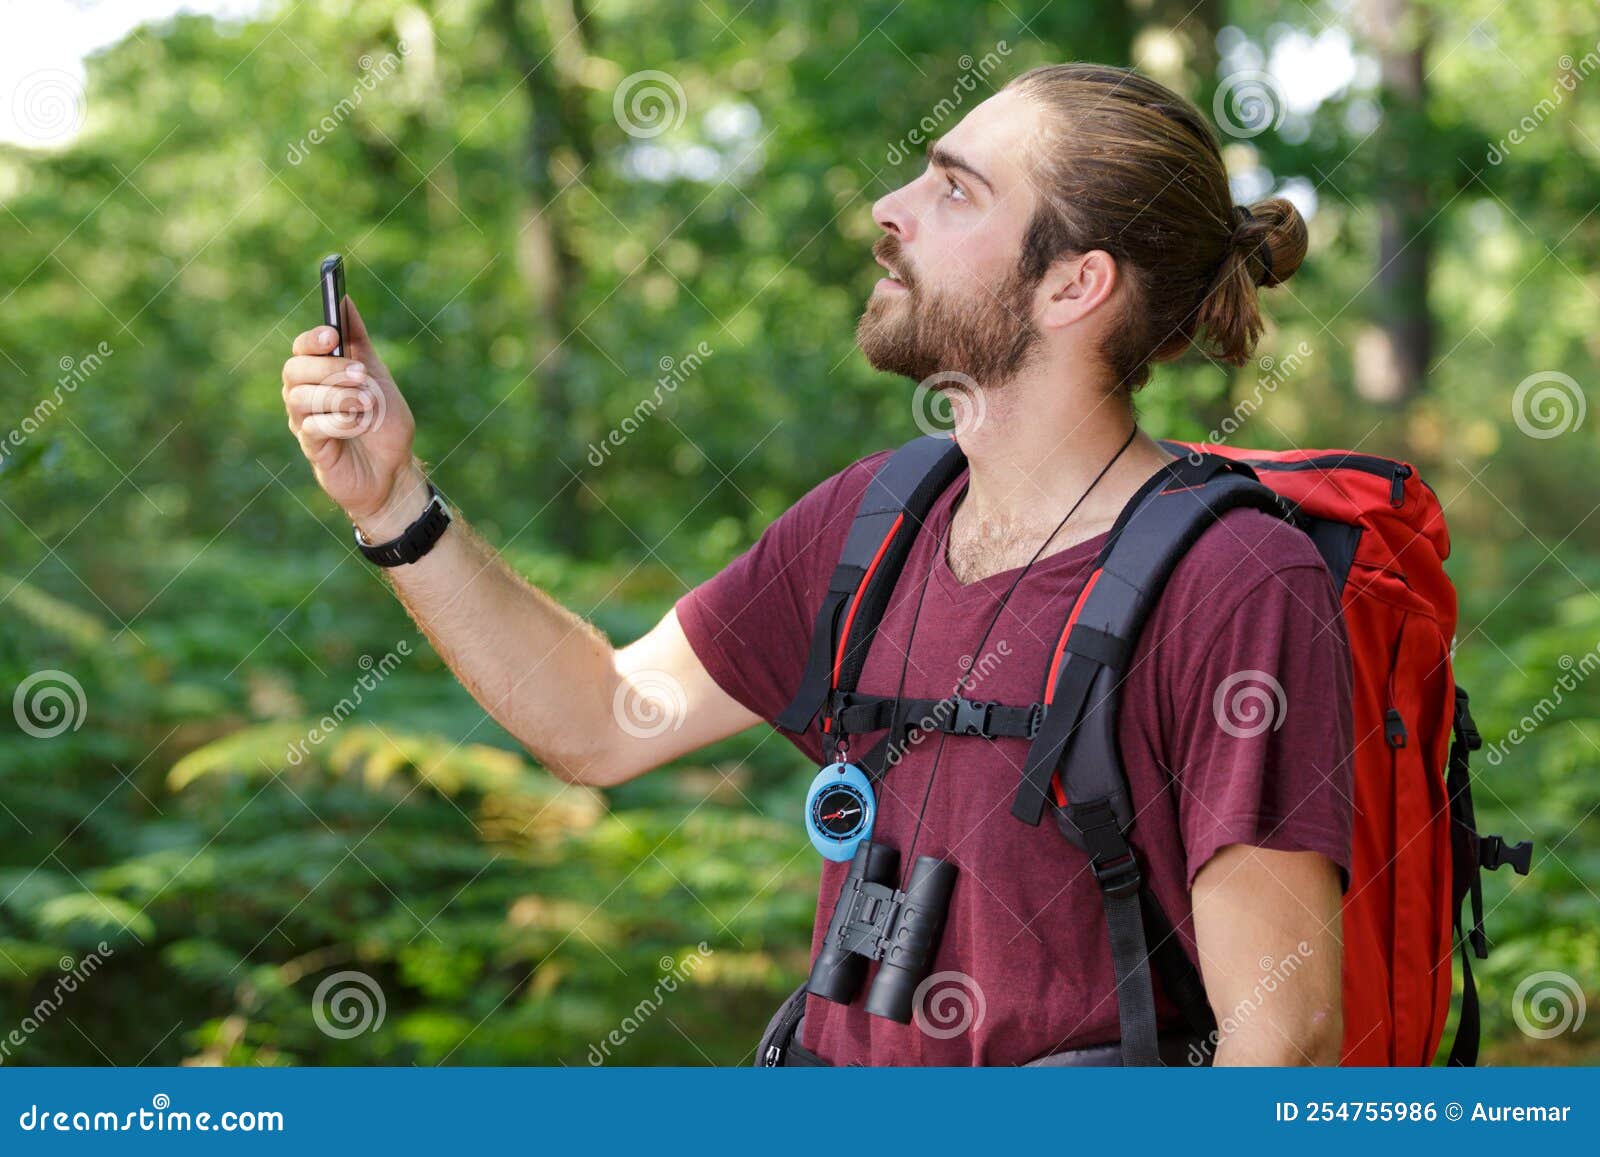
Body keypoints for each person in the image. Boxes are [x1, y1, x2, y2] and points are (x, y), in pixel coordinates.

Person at [279, 63, 1352, 1066]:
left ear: (1074, 284)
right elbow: (600, 716)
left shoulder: (1233, 580)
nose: (889, 208)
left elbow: (1281, 1046)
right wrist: (392, 499)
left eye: (955, 192)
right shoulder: (875, 521)